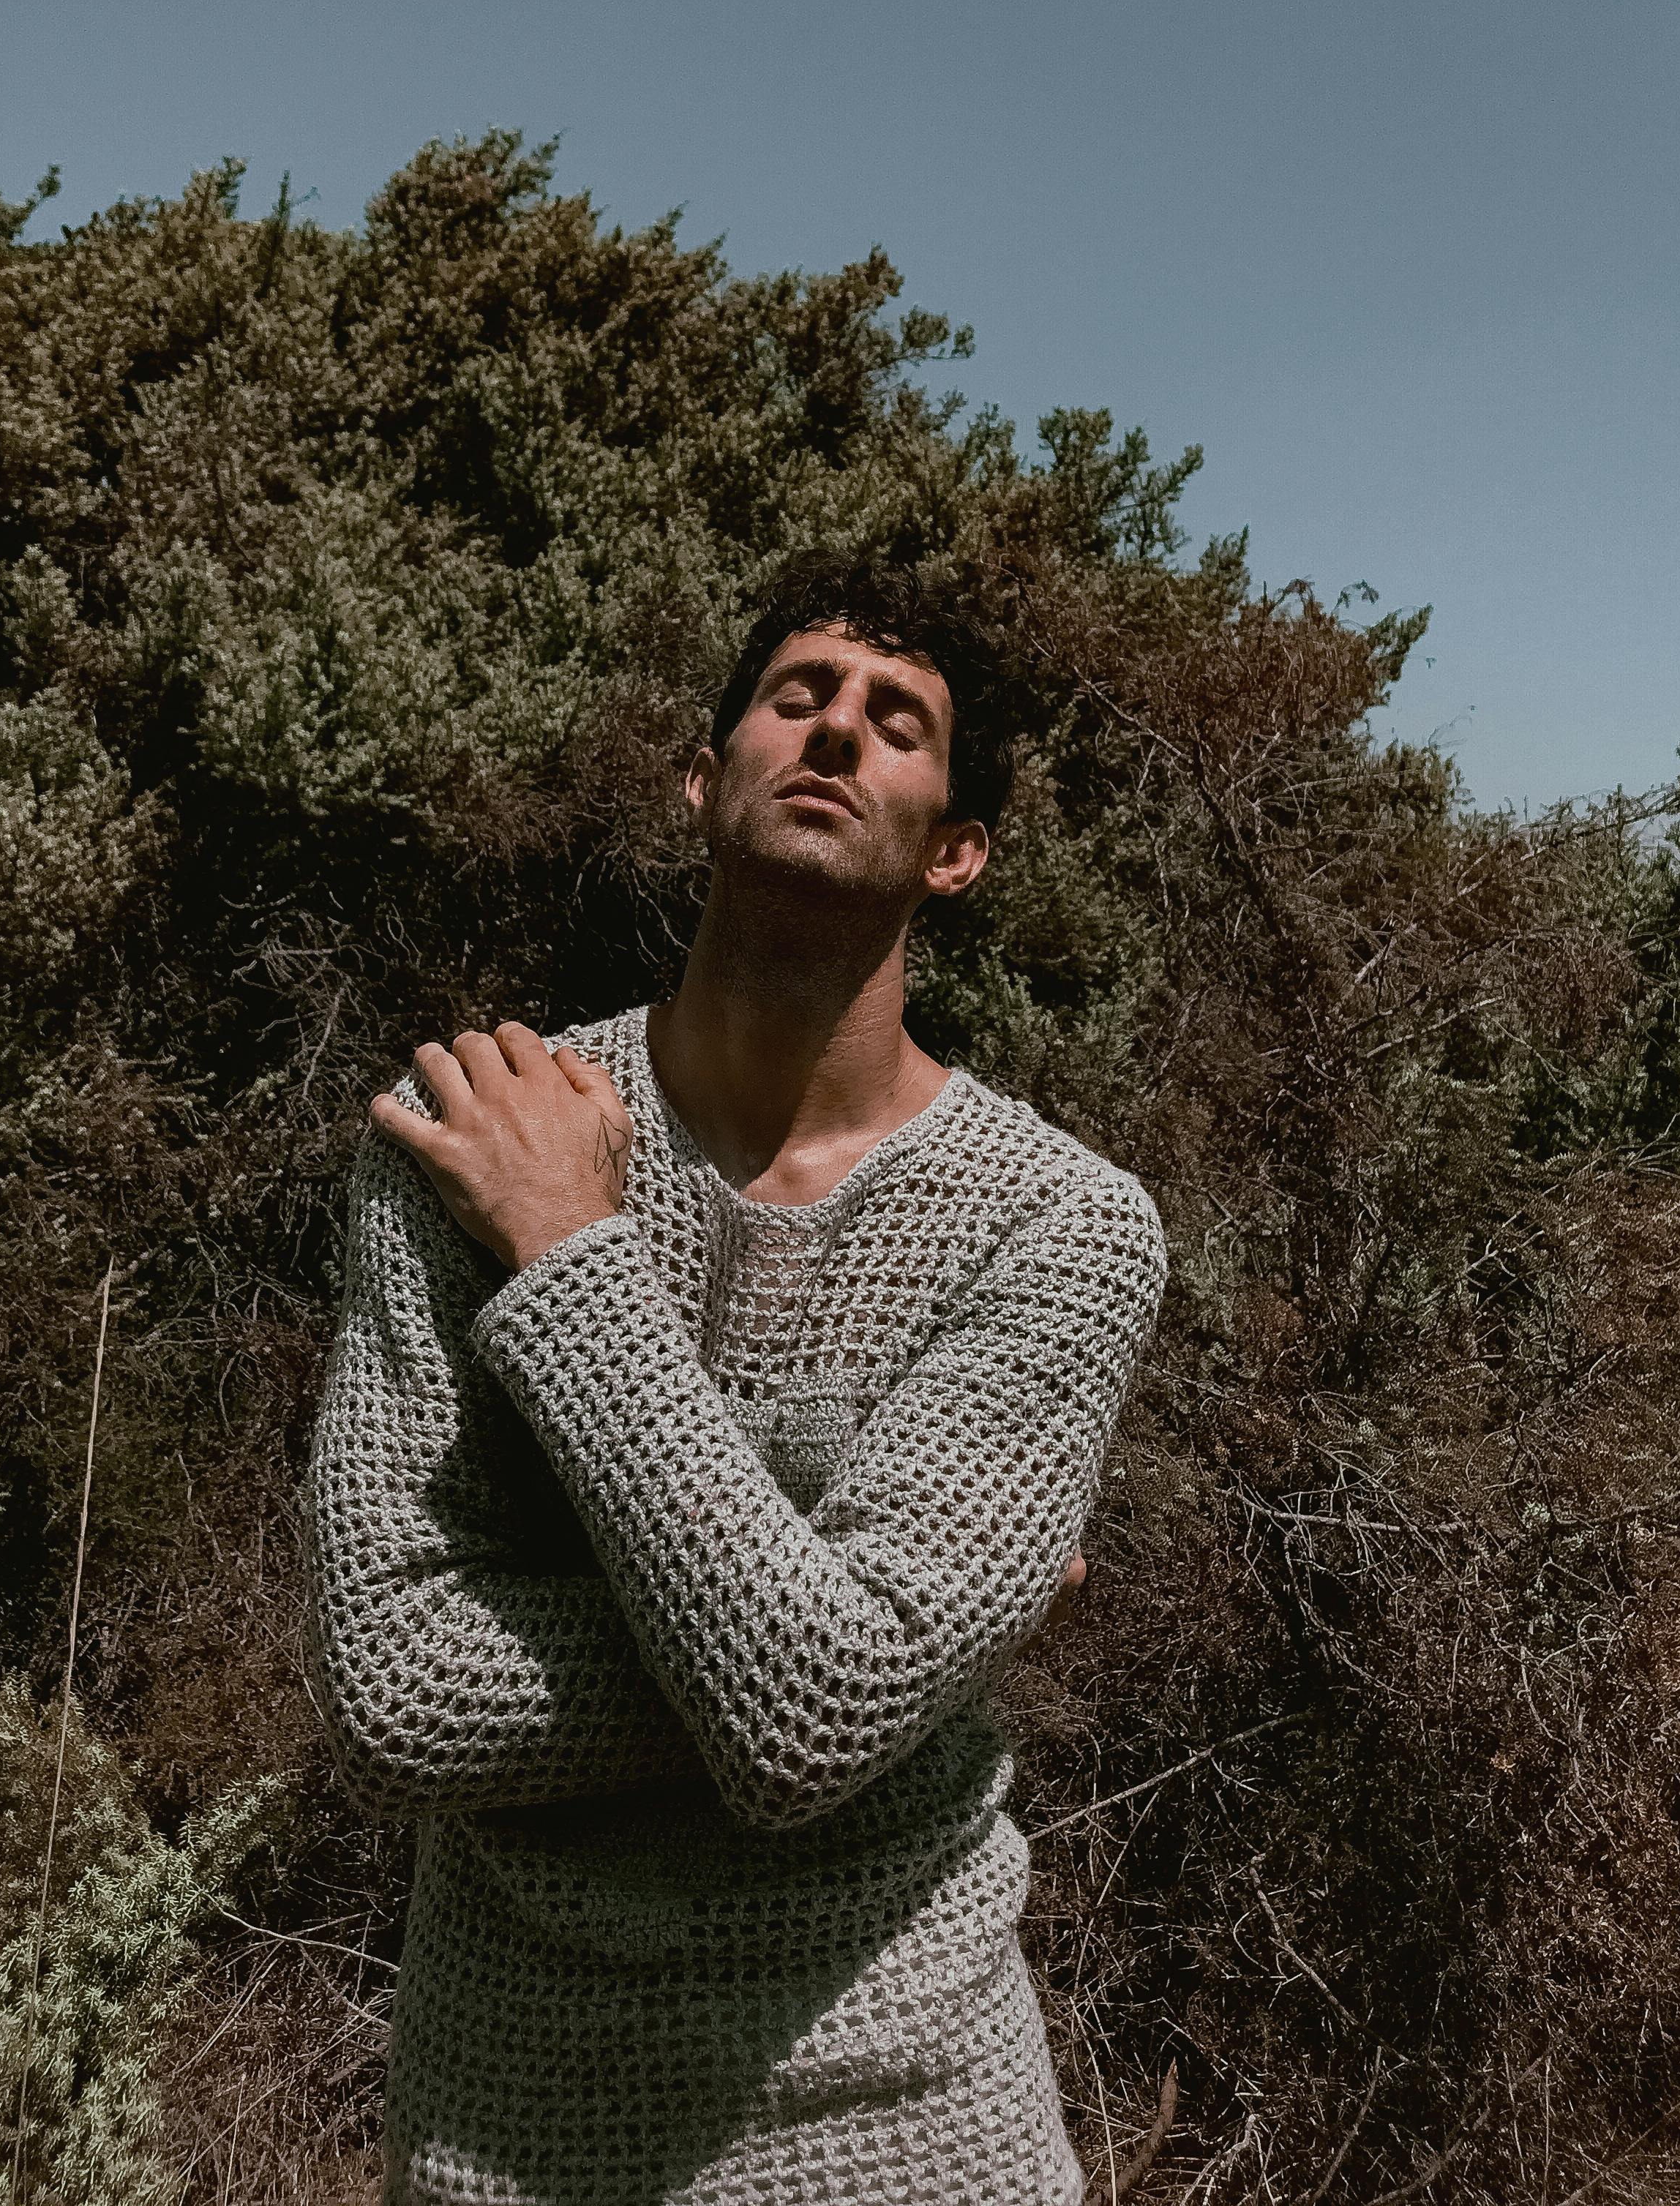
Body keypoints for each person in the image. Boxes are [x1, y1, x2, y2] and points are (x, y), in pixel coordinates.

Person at [305, 552, 1169, 2206]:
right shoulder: (473, 1137)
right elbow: (398, 1687)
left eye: (896, 721)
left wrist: (568, 1256)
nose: (839, 731)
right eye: (800, 696)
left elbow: (814, 1712)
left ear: (959, 849)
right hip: (517, 2126)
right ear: (706, 783)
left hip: (921, 2124)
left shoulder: (1064, 1219)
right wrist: (859, 1643)